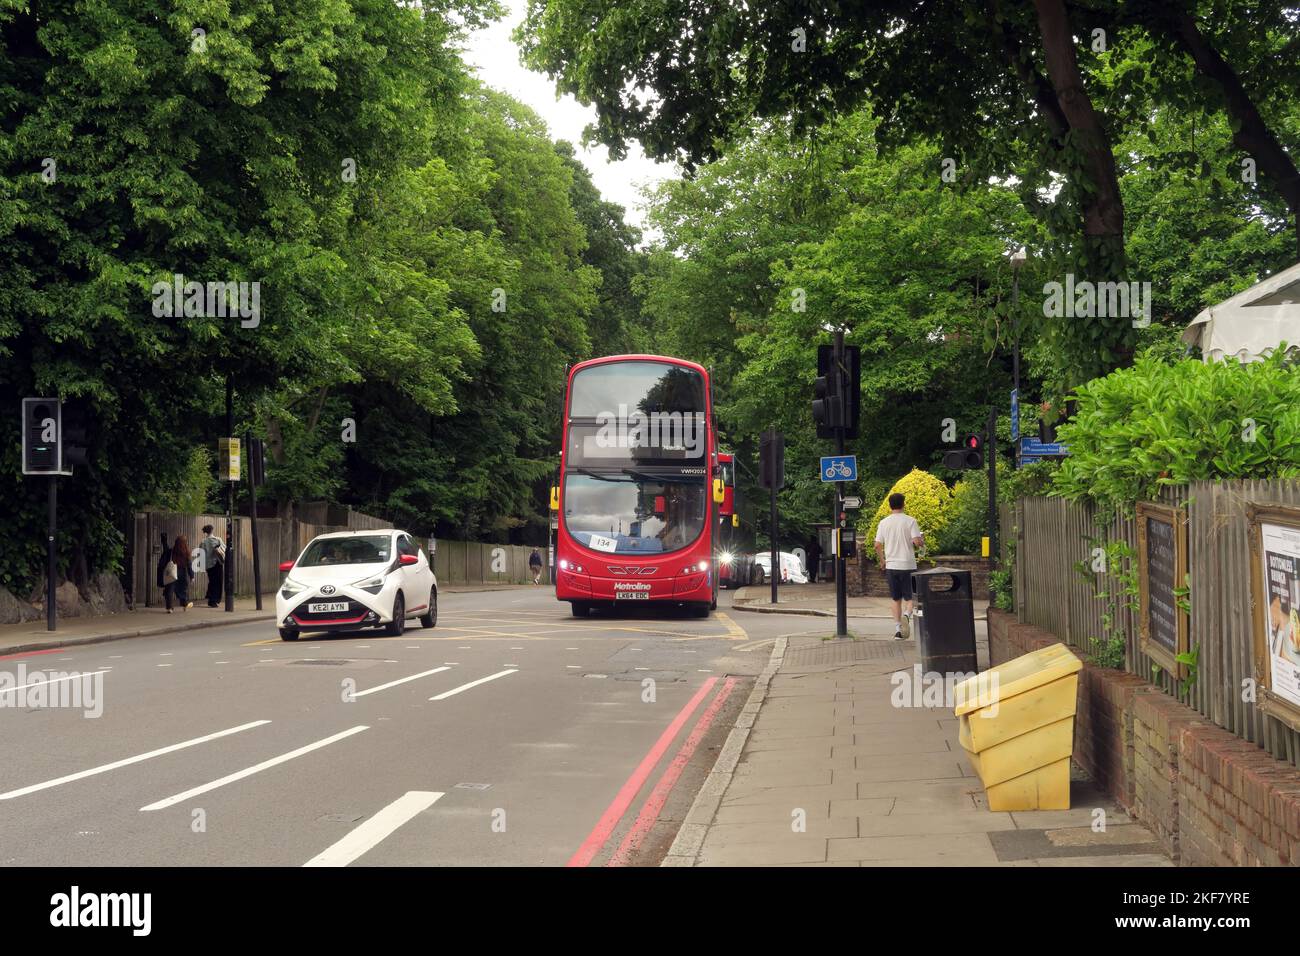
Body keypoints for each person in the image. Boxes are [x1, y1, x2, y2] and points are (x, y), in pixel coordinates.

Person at [874, 493, 924, 640]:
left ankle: (898, 630)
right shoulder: (910, 521)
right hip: (908, 564)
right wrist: (921, 541)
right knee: (911, 598)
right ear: (903, 504)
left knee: (896, 599)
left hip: (891, 566)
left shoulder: (884, 523)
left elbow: (877, 545)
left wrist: (883, 561)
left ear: (890, 505)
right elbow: (916, 541)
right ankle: (907, 616)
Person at [166, 533, 195, 613]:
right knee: (183, 590)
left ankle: (170, 608)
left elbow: (166, 560)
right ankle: (184, 605)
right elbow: (189, 565)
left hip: (172, 572)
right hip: (182, 572)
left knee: (170, 590)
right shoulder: (186, 552)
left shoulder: (172, 551)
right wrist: (192, 576)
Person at [200, 524, 225, 607]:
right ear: (212, 530)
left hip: (208, 565)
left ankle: (211, 598)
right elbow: (224, 549)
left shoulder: (203, 542)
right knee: (218, 582)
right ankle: (214, 600)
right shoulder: (218, 540)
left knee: (212, 581)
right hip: (217, 563)